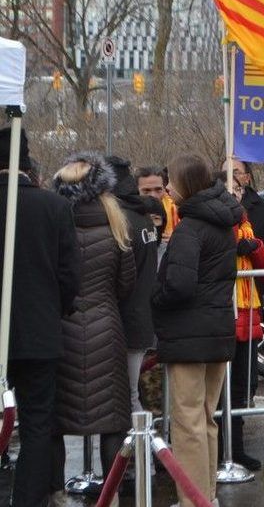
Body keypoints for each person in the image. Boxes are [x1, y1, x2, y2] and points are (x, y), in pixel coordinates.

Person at [152, 154, 241, 507]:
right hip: (217, 329)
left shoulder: (190, 227)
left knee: (188, 422)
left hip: (189, 334)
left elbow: (180, 285)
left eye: (171, 180)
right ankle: (206, 496)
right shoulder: (221, 223)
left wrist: (154, 297)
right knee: (205, 418)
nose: (167, 187)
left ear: (186, 184)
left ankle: (193, 500)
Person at [0, 127, 80, 505]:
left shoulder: (50, 206)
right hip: (38, 332)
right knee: (36, 425)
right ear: (26, 163)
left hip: (27, 330)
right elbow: (70, 276)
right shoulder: (54, 207)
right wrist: (55, 310)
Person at [50, 153, 136, 496]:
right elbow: (125, 283)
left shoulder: (52, 222)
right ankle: (111, 494)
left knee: (53, 420)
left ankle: (53, 493)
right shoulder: (116, 221)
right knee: (113, 418)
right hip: (106, 326)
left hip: (60, 329)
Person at [223, 173, 264, 471]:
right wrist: (232, 246)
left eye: (238, 189)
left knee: (242, 389)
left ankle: (237, 448)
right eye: (229, 189)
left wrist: (254, 246)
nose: (234, 194)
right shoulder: (215, 226)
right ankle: (221, 450)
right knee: (222, 390)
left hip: (249, 312)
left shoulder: (247, 226)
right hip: (225, 314)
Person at [106, 155, 163, 414]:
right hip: (141, 317)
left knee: (128, 399)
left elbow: (123, 276)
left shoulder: (122, 219)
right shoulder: (143, 217)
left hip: (128, 318)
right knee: (133, 396)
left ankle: (139, 452)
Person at [222, 157, 264, 254]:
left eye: (235, 173)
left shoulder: (263, 208)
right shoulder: (212, 206)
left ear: (247, 178)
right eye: (225, 173)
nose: (229, 177)